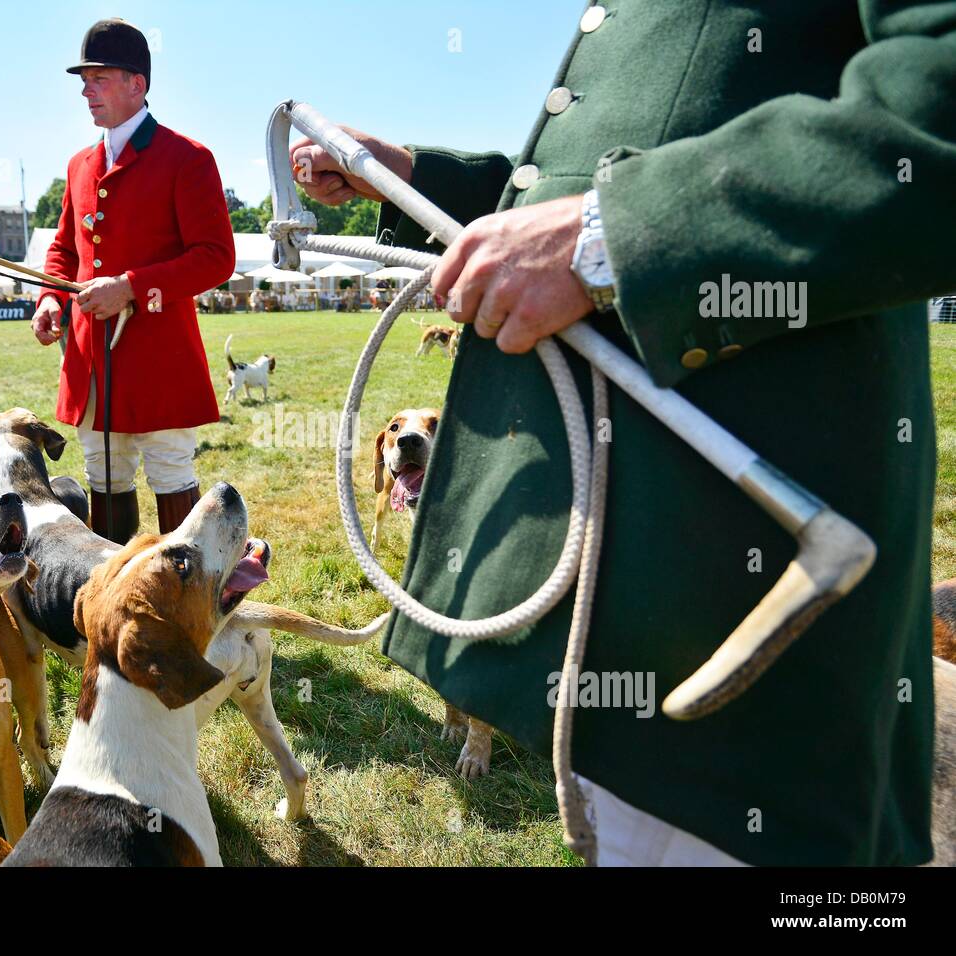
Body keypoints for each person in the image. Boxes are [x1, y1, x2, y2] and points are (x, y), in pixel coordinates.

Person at [294, 0, 955, 866]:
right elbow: (603, 159)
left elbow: (932, 108)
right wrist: (413, 176)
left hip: (737, 555)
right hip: (637, 564)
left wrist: (618, 236)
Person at [31, 18, 235, 542]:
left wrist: (130, 286)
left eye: (98, 78)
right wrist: (52, 297)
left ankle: (185, 601)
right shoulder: (79, 165)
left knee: (170, 471)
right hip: (89, 354)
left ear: (136, 84)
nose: (85, 90)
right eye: (85, 80)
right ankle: (116, 596)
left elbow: (216, 258)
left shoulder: (187, 158)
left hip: (158, 353)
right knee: (103, 475)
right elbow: (64, 249)